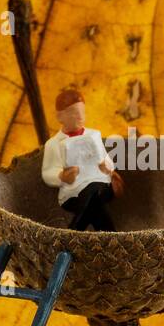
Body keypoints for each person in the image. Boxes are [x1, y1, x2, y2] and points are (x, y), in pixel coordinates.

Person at [41, 87, 123, 230]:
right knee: (94, 198)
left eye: (82, 112)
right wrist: (61, 176)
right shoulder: (53, 144)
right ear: (60, 117)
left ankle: (72, 234)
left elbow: (106, 159)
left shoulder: (93, 136)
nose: (80, 116)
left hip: (101, 185)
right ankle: (112, 237)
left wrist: (107, 167)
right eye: (73, 112)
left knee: (94, 191)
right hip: (73, 193)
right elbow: (47, 172)